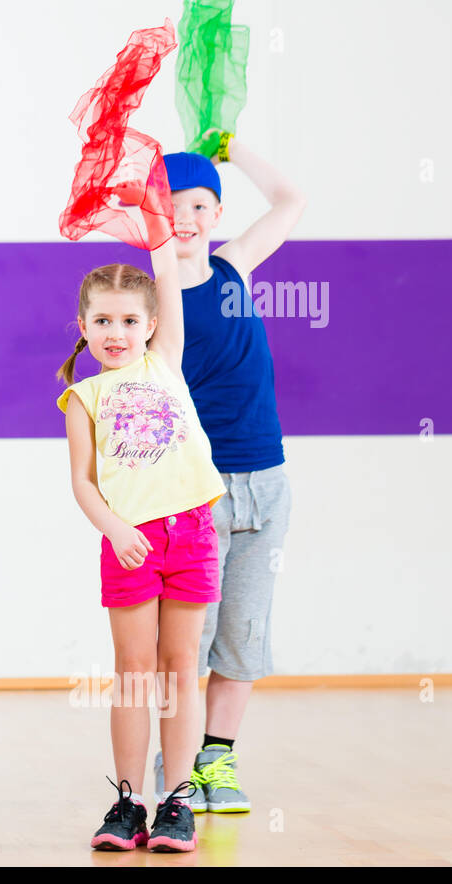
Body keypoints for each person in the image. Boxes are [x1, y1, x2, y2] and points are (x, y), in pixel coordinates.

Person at [57, 192, 226, 852]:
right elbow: (83, 482)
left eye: (130, 319)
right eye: (103, 320)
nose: (117, 332)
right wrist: (117, 530)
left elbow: (167, 279)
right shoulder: (83, 396)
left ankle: (176, 800)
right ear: (84, 323)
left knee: (180, 668)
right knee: (133, 671)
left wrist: (157, 221)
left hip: (191, 535)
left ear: (152, 325)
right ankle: (128, 800)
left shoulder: (167, 362)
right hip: (129, 542)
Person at [149, 137, 306, 813]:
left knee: (243, 632)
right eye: (172, 204)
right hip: (195, 490)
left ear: (216, 214)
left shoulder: (236, 266)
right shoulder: (151, 294)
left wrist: (234, 148)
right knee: (191, 638)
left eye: (200, 203)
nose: (186, 215)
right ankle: (177, 763)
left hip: (265, 482)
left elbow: (291, 200)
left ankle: (218, 759)